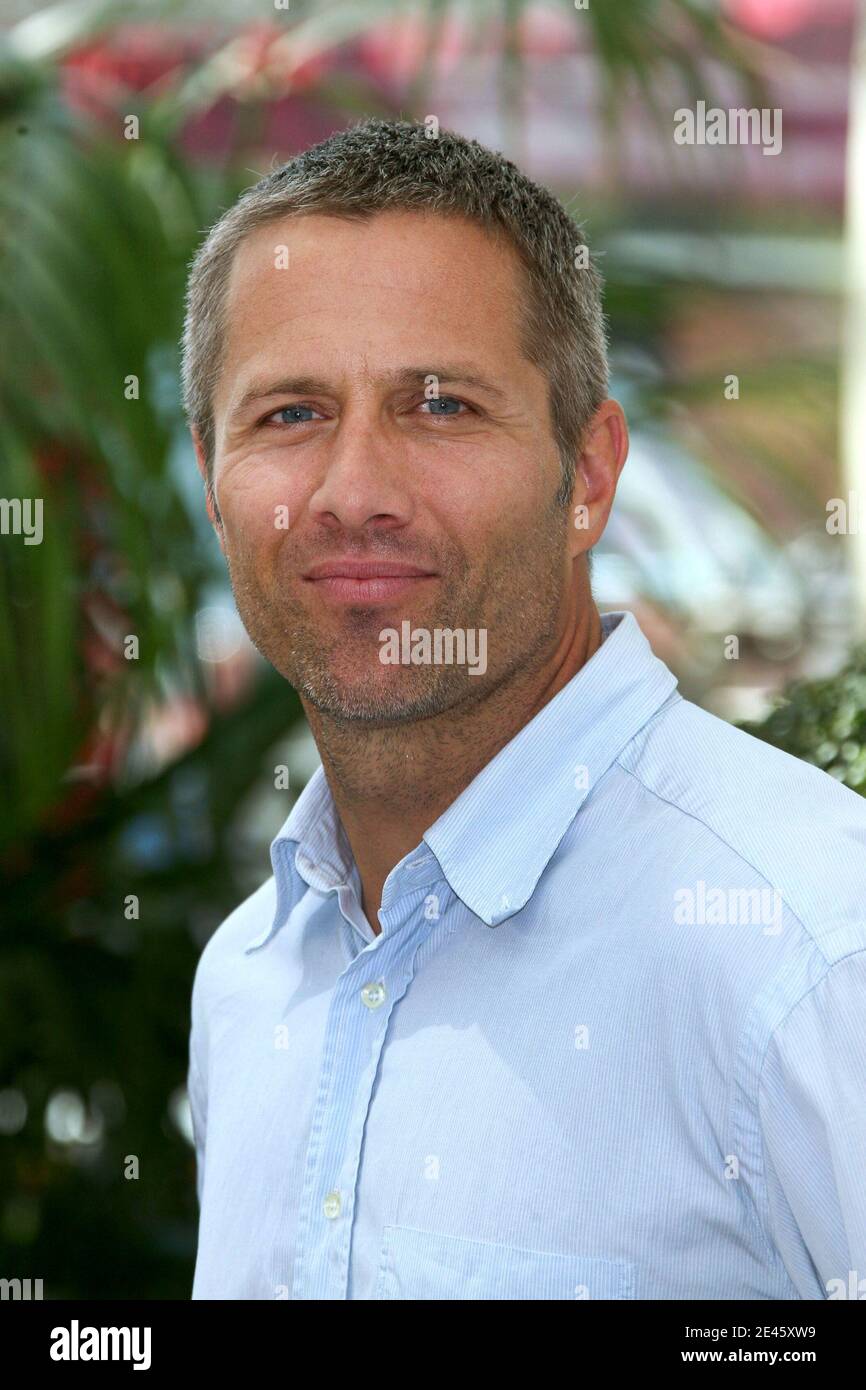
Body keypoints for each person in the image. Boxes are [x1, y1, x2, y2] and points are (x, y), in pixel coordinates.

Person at [181, 118, 866, 1300]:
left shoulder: (804, 950)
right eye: (288, 414)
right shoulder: (248, 979)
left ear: (587, 475)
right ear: (212, 483)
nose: (353, 493)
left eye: (438, 406)